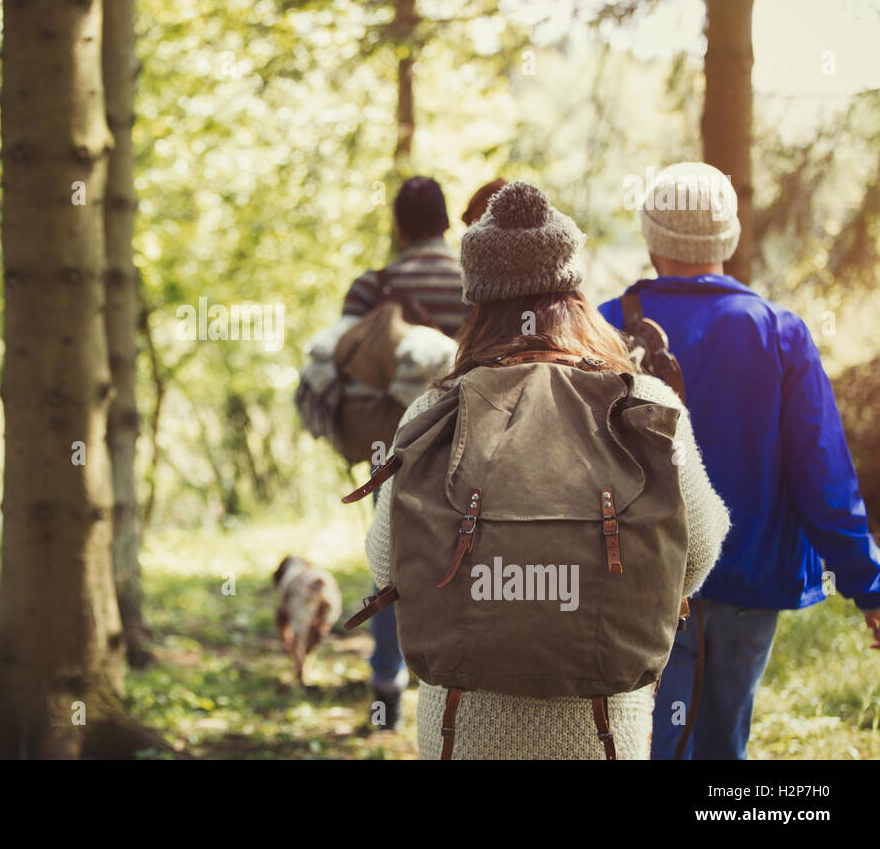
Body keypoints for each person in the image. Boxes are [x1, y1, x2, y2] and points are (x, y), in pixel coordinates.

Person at [364, 180, 730, 758]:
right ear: (574, 291)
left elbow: (388, 560)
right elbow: (702, 543)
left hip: (465, 730)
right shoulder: (646, 402)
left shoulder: (435, 410)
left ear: (477, 301)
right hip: (603, 727)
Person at [598, 162, 880, 760]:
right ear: (727, 237)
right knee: (723, 746)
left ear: (652, 237)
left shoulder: (603, 329)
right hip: (746, 580)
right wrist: (868, 585)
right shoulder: (779, 332)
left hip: (634, 578)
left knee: (643, 739)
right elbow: (823, 475)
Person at [341, 176, 468, 730]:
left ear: (398, 224)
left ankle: (386, 691)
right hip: (469, 443)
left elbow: (345, 363)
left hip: (389, 448)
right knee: (468, 560)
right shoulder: (476, 281)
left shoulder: (374, 286)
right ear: (446, 222)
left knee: (389, 562)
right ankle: (455, 685)